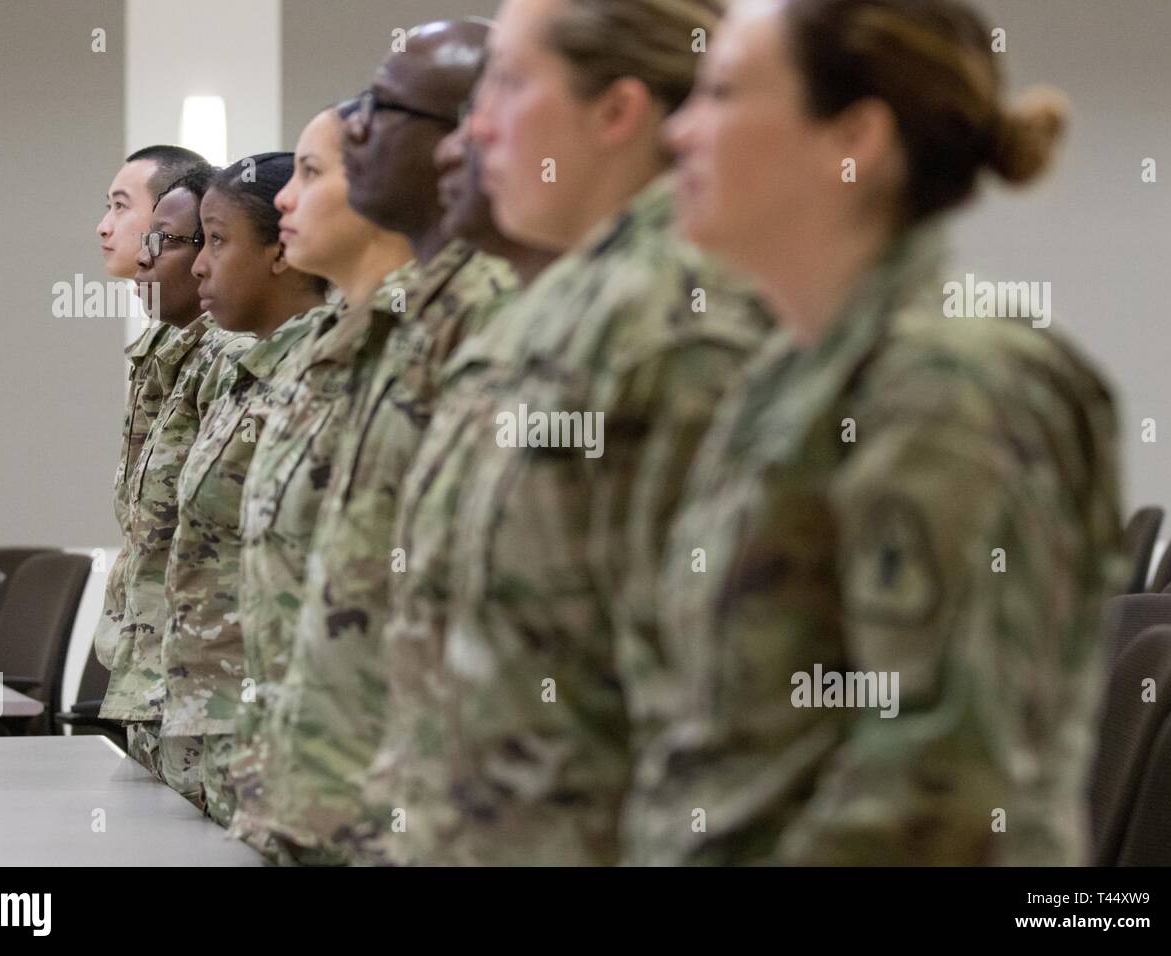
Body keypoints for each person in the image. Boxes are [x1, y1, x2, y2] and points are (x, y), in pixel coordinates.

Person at [626, 0, 1124, 866]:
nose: (679, 135)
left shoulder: (953, 380)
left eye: (721, 96)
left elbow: (940, 790)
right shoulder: (790, 374)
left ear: (852, 137)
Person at [354, 0, 773, 866]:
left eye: (506, 85)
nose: (463, 139)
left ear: (616, 113)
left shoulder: (680, 332)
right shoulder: (555, 314)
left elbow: (730, 730)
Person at [230, 19, 521, 863]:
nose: (358, 130)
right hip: (312, 794)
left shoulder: (483, 319)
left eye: (381, 115)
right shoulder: (368, 332)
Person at [223, 102, 416, 844]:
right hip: (294, 767)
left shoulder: (436, 337)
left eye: (310, 173)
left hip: (376, 788)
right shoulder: (325, 345)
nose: (283, 199)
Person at [158, 153, 330, 823]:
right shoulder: (245, 370)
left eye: (217, 240)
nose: (199, 264)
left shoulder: (321, 379)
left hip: (278, 747)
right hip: (212, 722)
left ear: (281, 252)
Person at [98, 163, 256, 786]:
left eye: (163, 239)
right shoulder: (171, 352)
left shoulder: (232, 358)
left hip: (206, 691)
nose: (145, 258)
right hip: (159, 682)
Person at [93, 145, 208, 675]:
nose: (104, 226)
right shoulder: (161, 343)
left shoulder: (222, 352)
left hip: (190, 667)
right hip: (145, 660)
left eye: (121, 206)